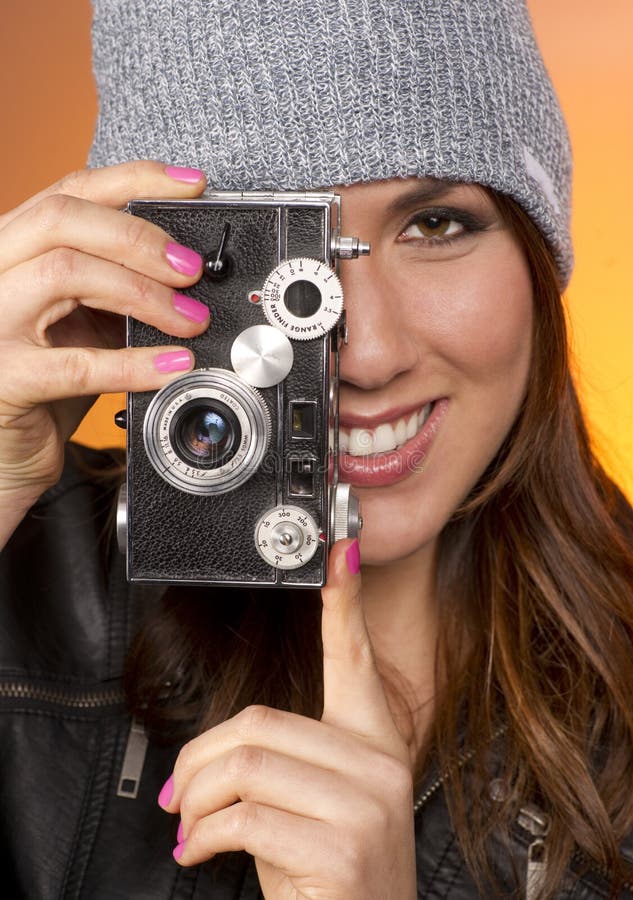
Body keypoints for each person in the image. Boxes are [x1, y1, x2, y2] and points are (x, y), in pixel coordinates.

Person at [1, 0, 633, 897]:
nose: (365, 354)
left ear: (535, 255)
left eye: (435, 225)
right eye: (264, 254)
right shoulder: (22, 561)